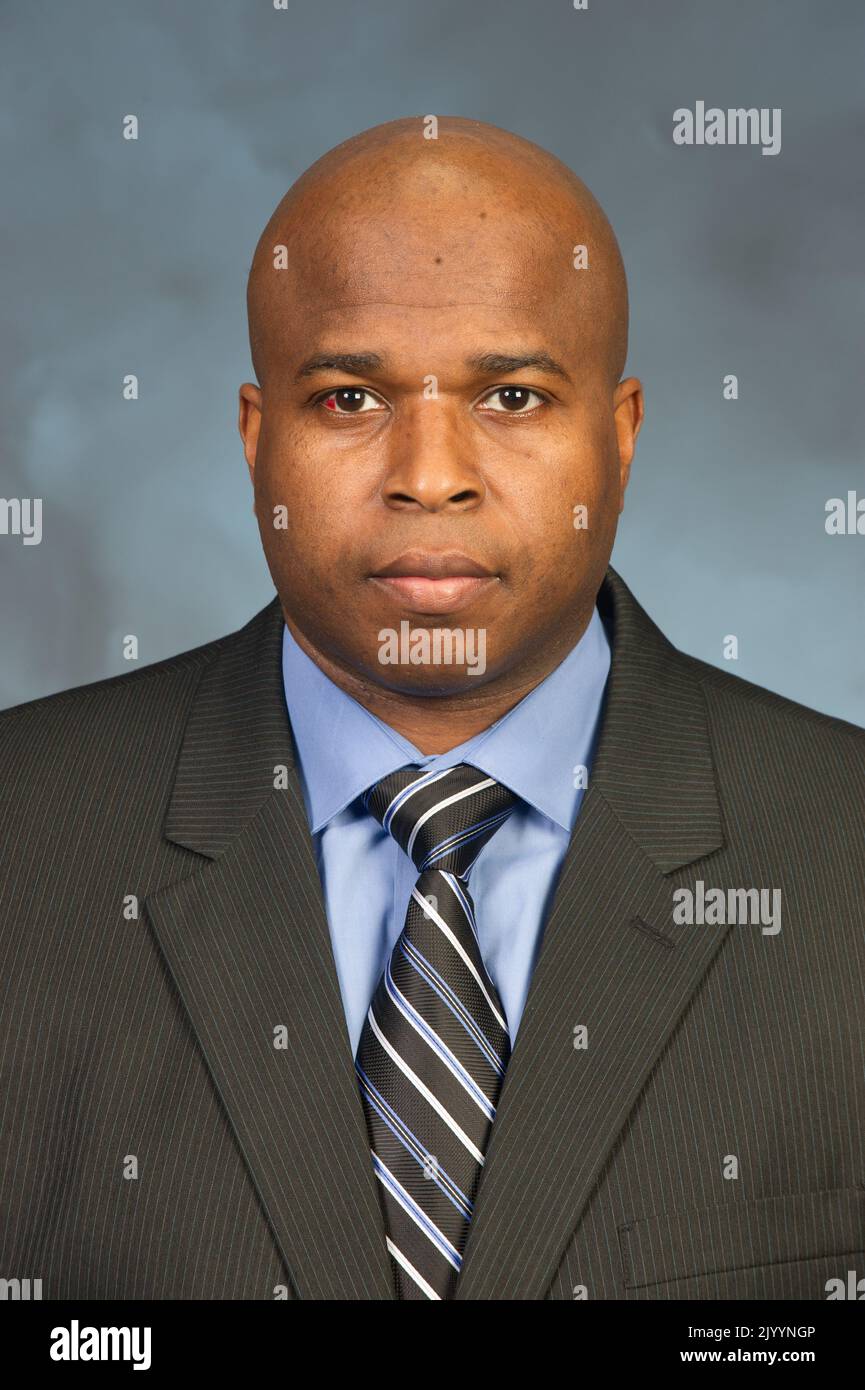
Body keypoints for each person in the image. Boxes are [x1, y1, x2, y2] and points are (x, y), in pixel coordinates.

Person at [1, 116, 862, 1302]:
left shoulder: (843, 851)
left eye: (510, 394)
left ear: (618, 438)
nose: (428, 470)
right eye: (350, 398)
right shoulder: (22, 838)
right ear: (258, 442)